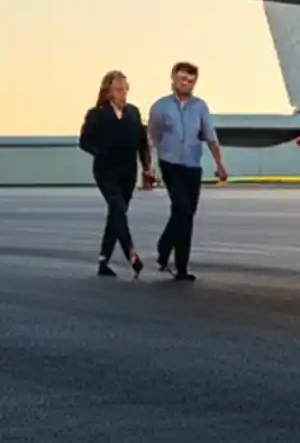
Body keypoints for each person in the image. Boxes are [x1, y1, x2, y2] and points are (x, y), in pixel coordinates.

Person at [146, 61, 227, 281]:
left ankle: (170, 254)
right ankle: (174, 260)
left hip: (192, 166)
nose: (186, 84)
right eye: (182, 79)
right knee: (181, 209)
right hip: (170, 164)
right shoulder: (161, 107)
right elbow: (152, 137)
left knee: (187, 214)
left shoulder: (200, 106)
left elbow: (210, 136)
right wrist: (148, 167)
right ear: (173, 78)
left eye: (191, 81)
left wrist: (219, 164)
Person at [78, 70, 153, 278]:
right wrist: (100, 151)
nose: (124, 93)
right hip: (106, 170)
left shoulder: (133, 113)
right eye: (119, 90)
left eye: (125, 89)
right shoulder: (96, 115)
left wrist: (146, 168)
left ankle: (104, 259)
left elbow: (142, 143)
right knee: (117, 206)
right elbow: (84, 142)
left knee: (117, 213)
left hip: (128, 171)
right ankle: (131, 252)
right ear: (109, 92)